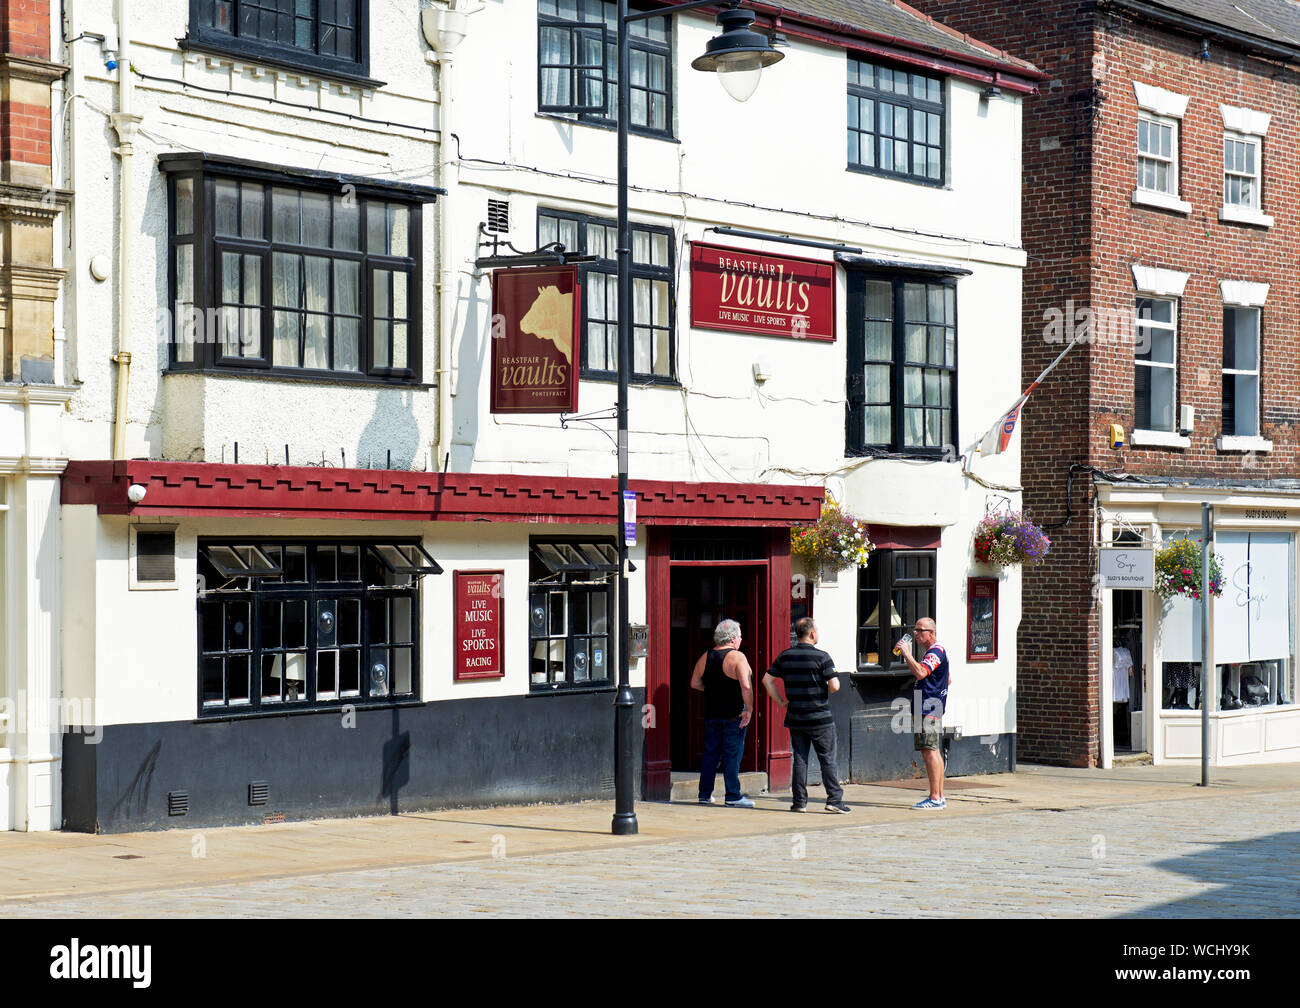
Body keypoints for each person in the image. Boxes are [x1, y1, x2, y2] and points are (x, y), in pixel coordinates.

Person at [762, 617, 849, 813]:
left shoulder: (785, 656)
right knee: (827, 758)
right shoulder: (823, 657)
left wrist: (781, 702)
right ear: (811, 633)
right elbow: (835, 686)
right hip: (820, 718)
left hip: (795, 716)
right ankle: (834, 800)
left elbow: (767, 680)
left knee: (800, 759)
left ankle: (799, 802)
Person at [690, 618, 755, 808]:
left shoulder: (705, 656)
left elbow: (694, 683)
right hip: (733, 714)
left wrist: (713, 690)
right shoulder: (738, 657)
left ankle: (704, 794)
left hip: (712, 714)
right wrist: (749, 709)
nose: (741, 640)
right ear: (734, 638)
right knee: (732, 754)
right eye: (740, 636)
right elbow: (745, 686)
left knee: (711, 753)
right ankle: (733, 796)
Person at [897, 617, 949, 810]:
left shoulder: (936, 651)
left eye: (920, 630)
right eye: (915, 629)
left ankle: (935, 798)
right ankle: (939, 796)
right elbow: (947, 678)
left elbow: (920, 673)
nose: (916, 633)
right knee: (931, 750)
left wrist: (907, 654)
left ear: (931, 633)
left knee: (930, 751)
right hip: (924, 704)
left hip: (928, 706)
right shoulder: (932, 653)